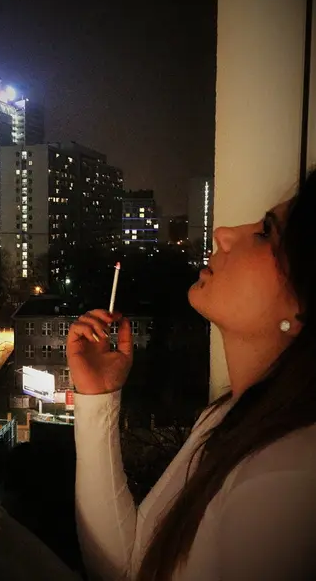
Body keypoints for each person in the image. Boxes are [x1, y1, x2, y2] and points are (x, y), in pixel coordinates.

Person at [67, 168, 316, 581]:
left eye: (265, 233)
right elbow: (130, 565)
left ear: (304, 304)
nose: (223, 233)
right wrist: (97, 394)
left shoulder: (284, 488)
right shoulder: (228, 417)